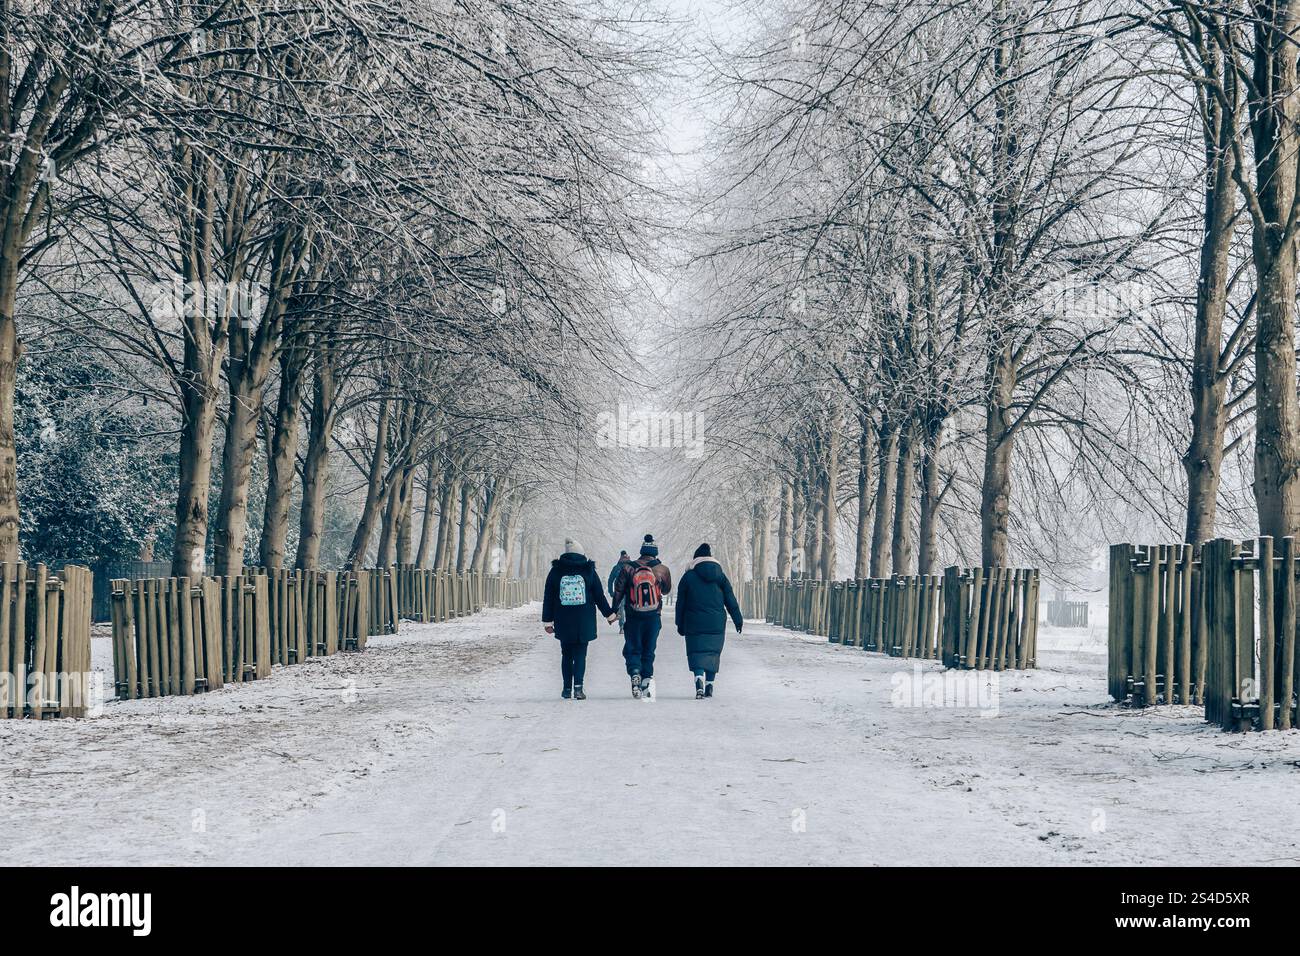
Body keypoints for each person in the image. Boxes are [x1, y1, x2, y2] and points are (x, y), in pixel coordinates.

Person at [542, 538, 616, 700]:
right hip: (584, 620)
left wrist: (548, 621)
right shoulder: (588, 570)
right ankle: (578, 689)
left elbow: (548, 597)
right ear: (581, 553)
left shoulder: (556, 571)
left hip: (563, 620)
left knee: (566, 655)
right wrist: (609, 614)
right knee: (581, 655)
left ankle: (566, 689)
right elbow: (599, 596)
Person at [674, 542, 742, 699]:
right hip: (716, 622)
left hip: (694, 622)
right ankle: (710, 685)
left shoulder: (688, 577)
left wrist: (680, 624)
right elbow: (730, 599)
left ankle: (699, 681)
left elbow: (681, 604)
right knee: (712, 653)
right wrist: (738, 620)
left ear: (695, 559)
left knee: (697, 653)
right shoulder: (721, 576)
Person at [613, 533, 672, 700]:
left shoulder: (628, 568)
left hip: (633, 615)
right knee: (649, 649)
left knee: (632, 647)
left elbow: (619, 591)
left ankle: (635, 673)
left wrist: (613, 610)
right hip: (654, 616)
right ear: (655, 552)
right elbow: (667, 590)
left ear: (641, 551)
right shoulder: (662, 569)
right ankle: (646, 681)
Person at [607, 550, 634, 634]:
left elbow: (610, 580)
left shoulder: (616, 567)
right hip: (630, 591)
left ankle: (622, 627)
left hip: (619, 592)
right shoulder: (632, 566)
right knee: (630, 608)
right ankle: (629, 626)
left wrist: (611, 592)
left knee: (621, 608)